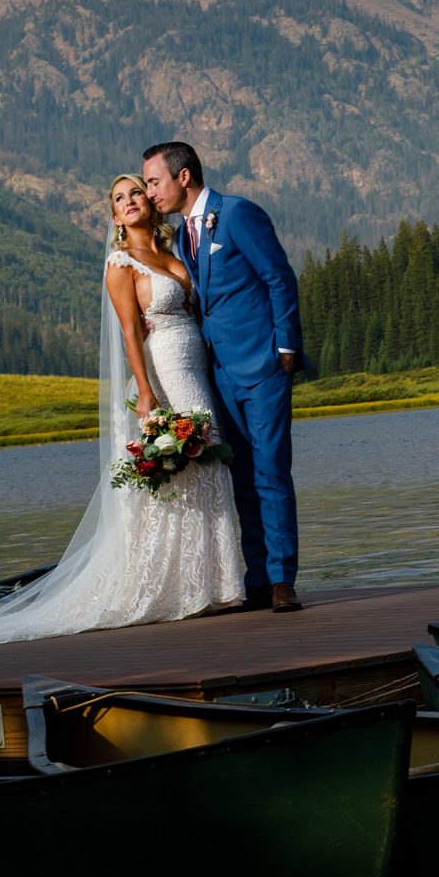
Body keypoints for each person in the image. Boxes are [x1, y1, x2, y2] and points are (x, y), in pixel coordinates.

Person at [0, 175, 244, 649]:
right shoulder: (121, 264)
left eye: (136, 192)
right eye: (120, 200)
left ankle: (217, 583)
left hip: (196, 365)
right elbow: (128, 333)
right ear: (116, 217)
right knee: (184, 466)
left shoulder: (176, 251)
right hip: (164, 367)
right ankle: (171, 585)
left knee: (208, 460)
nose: (130, 201)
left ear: (149, 201)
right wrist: (145, 393)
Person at [140, 140, 306, 612]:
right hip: (219, 374)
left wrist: (286, 348)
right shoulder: (182, 234)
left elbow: (279, 277)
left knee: (271, 471)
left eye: (154, 182)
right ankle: (256, 577)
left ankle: (281, 581)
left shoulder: (237, 215)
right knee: (242, 476)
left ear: (183, 177)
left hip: (263, 366)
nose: (150, 192)